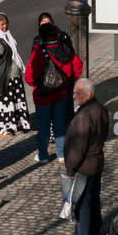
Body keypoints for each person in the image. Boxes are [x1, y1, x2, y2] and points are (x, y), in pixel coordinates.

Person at [24, 13, 83, 165]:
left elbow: (29, 77)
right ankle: (61, 153)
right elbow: (77, 66)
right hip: (61, 93)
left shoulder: (39, 52)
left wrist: (36, 84)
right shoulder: (64, 49)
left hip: (43, 96)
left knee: (43, 127)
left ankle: (43, 155)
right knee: (60, 124)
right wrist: (68, 80)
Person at [63, 78, 109, 235]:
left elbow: (78, 147)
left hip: (84, 165)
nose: (74, 96)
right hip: (96, 161)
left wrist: (70, 170)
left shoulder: (83, 116)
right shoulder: (101, 109)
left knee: (83, 200)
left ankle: (83, 234)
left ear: (88, 94)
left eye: (77, 93)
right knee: (93, 197)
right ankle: (95, 228)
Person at [0, 12, 30, 137]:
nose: (5, 27)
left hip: (14, 76)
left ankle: (17, 124)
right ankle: (1, 128)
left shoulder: (8, 35)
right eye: (2, 24)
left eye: (6, 24)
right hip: (4, 77)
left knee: (15, 101)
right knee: (4, 103)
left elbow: (14, 55)